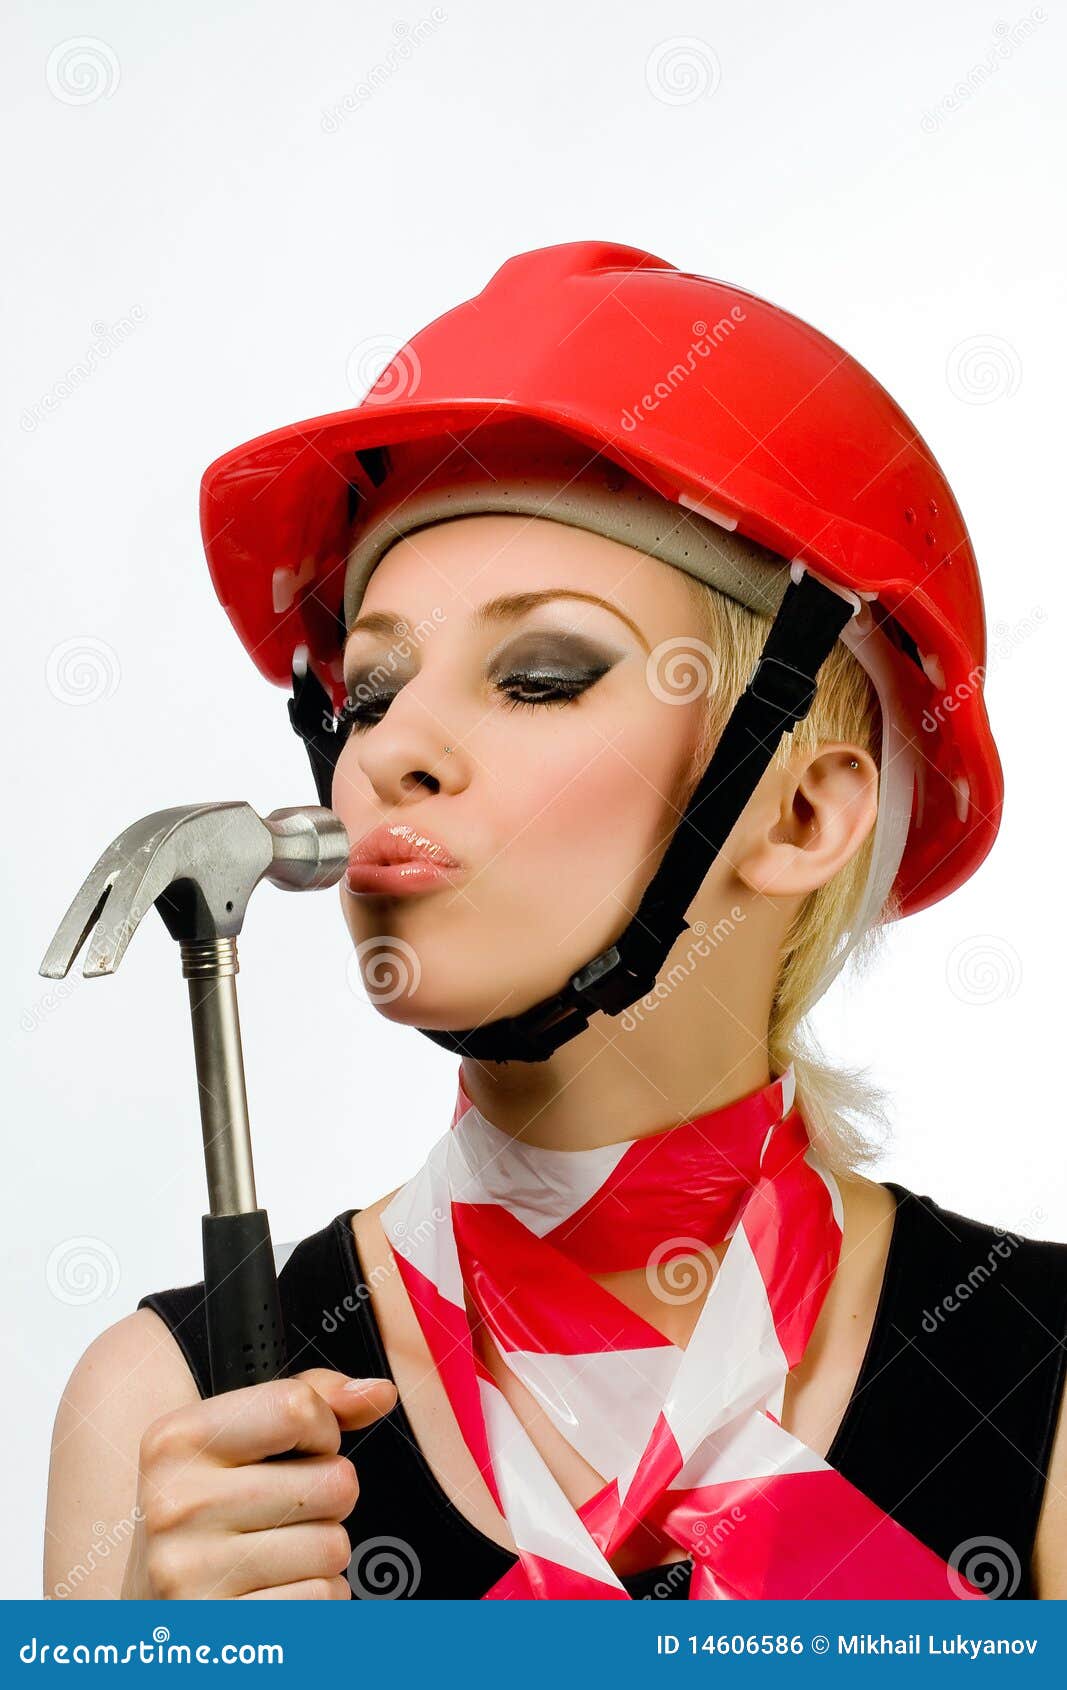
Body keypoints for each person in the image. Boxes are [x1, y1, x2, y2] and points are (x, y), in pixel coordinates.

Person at [44, 243, 1067, 1600]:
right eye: (373, 688)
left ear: (804, 815)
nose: (392, 753)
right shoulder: (173, 1418)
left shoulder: (1039, 1389)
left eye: (539, 674)